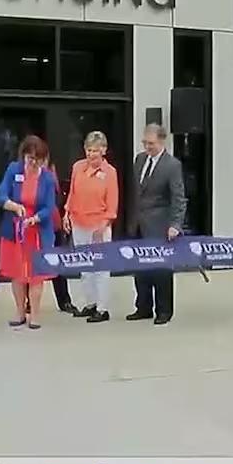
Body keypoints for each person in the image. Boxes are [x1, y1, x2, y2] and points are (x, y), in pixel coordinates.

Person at [126, 124, 187, 325]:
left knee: (160, 269)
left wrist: (175, 225)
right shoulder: (139, 160)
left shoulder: (172, 165)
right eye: (145, 142)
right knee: (140, 268)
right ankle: (143, 307)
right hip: (138, 224)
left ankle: (164, 311)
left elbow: (179, 198)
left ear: (162, 141)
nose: (147, 146)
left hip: (160, 225)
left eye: (150, 143)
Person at [0, 135, 55, 330]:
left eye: (37, 159)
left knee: (36, 274)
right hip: (14, 228)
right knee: (16, 272)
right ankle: (20, 311)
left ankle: (35, 314)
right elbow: (1, 194)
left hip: (36, 230)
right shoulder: (14, 170)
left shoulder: (47, 177)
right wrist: (13, 206)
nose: (33, 163)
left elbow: (49, 206)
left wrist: (35, 219)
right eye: (30, 158)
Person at [63, 131, 119, 323]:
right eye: (88, 150)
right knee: (84, 266)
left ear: (103, 150)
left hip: (99, 226)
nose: (91, 154)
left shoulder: (110, 173)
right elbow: (72, 193)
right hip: (79, 223)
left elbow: (112, 204)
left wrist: (103, 227)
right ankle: (90, 303)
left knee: (100, 268)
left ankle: (102, 309)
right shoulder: (78, 167)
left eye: (95, 150)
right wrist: (67, 214)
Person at [46, 157, 79, 315]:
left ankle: (64, 301)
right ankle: (28, 301)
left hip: (53, 222)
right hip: (35, 224)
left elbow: (58, 197)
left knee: (58, 264)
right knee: (31, 264)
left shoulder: (50, 173)